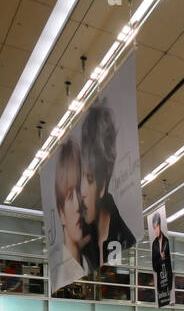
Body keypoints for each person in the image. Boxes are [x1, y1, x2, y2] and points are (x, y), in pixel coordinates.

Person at [80, 102, 136, 277]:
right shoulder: (79, 232)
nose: (81, 191)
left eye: (89, 179)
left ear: (103, 184)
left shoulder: (126, 238)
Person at [52, 139, 89, 291]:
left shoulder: (86, 265)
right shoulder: (64, 275)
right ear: (61, 213)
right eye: (70, 196)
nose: (78, 205)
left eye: (80, 192)